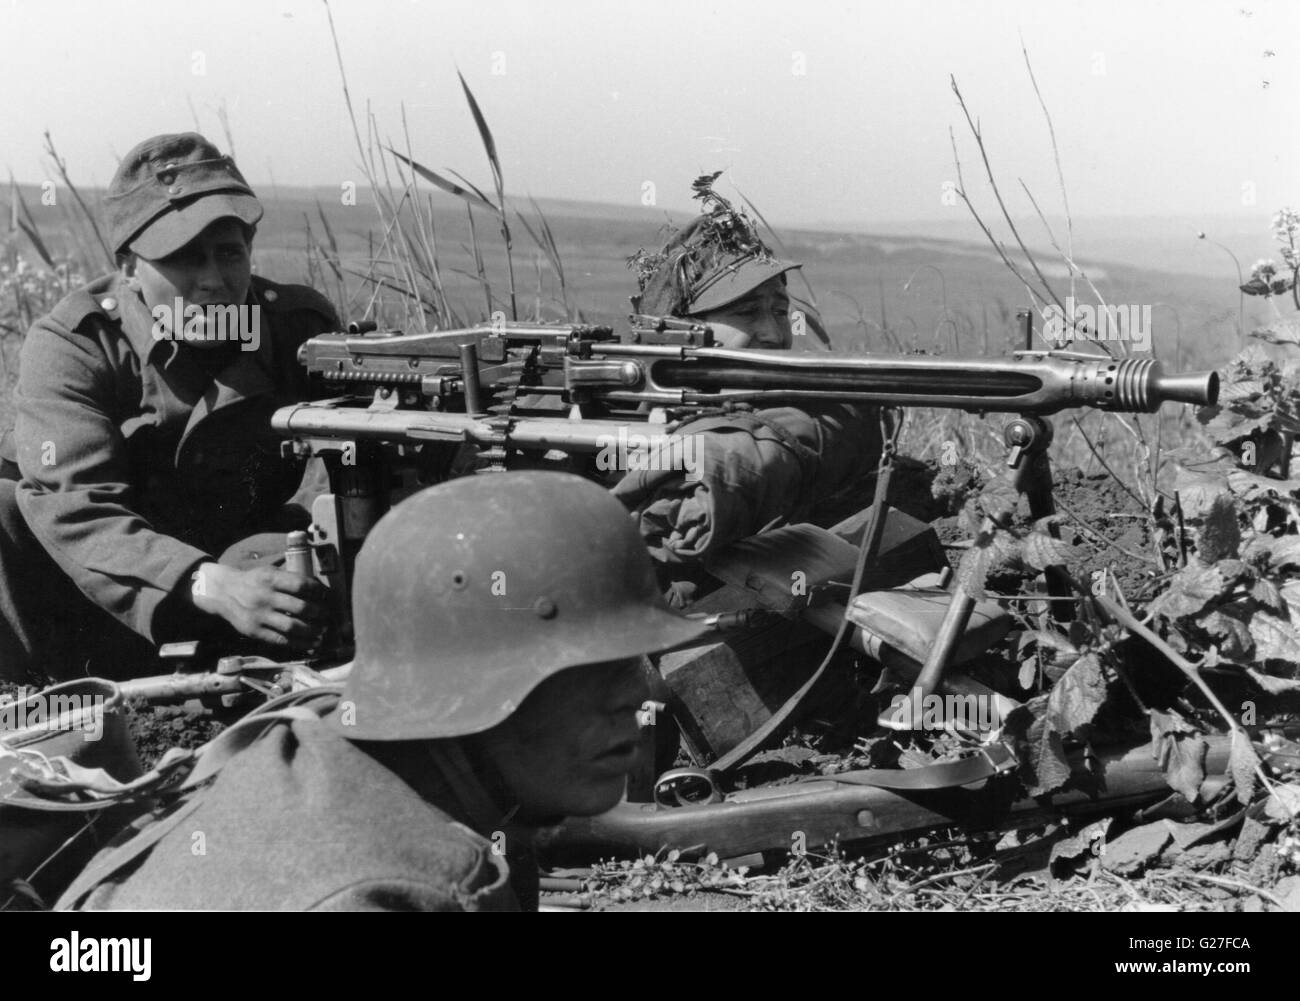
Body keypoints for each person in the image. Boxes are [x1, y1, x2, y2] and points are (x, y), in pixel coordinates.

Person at [59, 472, 707, 911]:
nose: (639, 691)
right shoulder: (417, 884)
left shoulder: (312, 740)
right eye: (595, 665)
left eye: (636, 657)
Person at [0, 133, 339, 683]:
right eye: (182, 259)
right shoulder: (76, 342)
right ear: (130, 267)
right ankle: (46, 700)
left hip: (236, 554)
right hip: (97, 575)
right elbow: (79, 508)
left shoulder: (295, 327)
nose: (212, 281)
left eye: (229, 253)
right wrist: (210, 584)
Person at [617, 175, 885, 579]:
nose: (775, 335)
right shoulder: (617, 411)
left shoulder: (812, 408)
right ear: (677, 329)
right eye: (745, 313)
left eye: (779, 311)